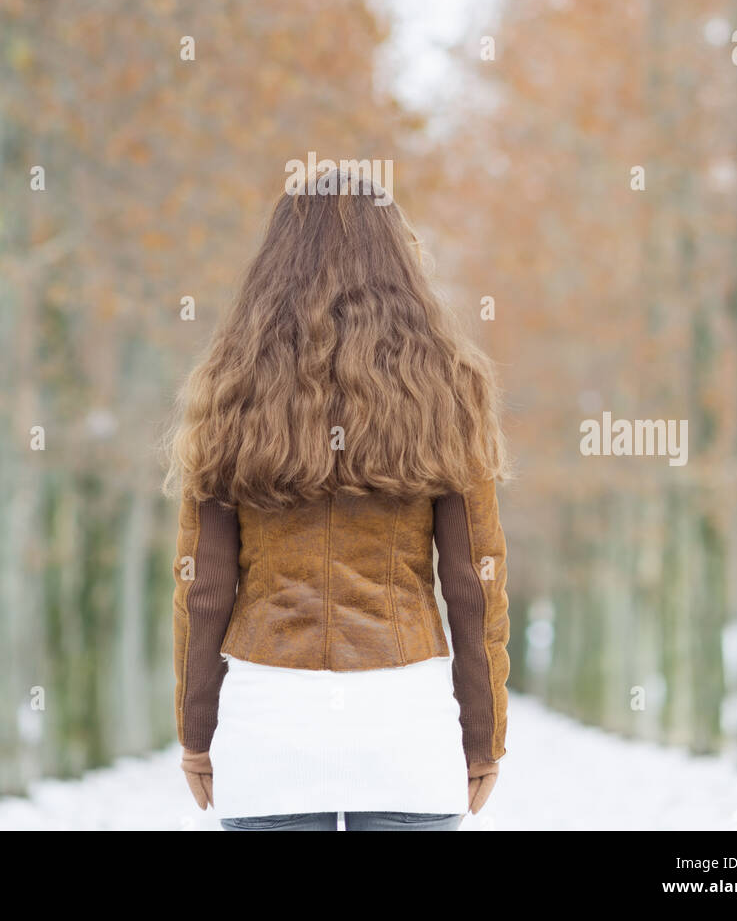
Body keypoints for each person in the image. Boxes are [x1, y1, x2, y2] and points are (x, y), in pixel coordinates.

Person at [166, 165, 509, 832]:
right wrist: (482, 737)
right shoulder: (448, 384)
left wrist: (196, 732)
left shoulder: (230, 388)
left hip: (269, 723)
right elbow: (474, 582)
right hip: (403, 719)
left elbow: (202, 588)